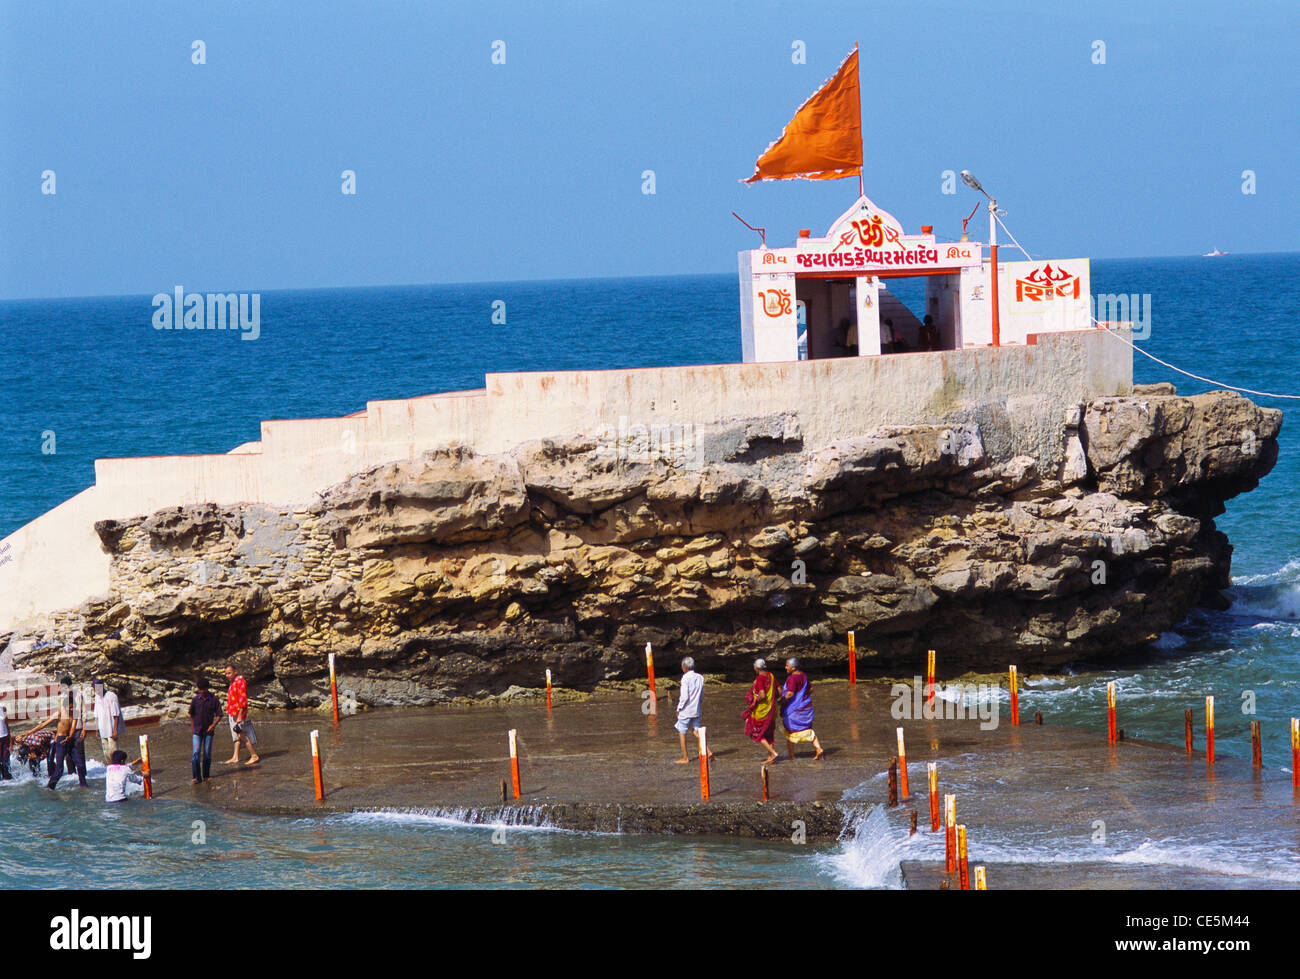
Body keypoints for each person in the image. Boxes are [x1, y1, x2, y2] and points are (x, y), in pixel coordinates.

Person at [28, 677, 88, 789]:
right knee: (62, 766)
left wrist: (83, 729)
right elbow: (54, 722)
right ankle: (53, 785)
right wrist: (28, 733)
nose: (62, 688)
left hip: (75, 731)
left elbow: (82, 714)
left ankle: (83, 784)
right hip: (62, 737)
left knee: (79, 760)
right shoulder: (61, 700)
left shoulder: (78, 696)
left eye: (64, 686)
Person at [780, 658, 825, 761]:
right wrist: (804, 697)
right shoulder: (804, 676)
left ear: (793, 667)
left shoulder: (792, 678)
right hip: (806, 707)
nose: (785, 667)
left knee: (790, 730)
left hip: (794, 710)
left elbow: (790, 694)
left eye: (787, 665)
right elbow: (811, 688)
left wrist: (780, 701)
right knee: (808, 729)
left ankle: (791, 755)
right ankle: (818, 748)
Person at [673, 657, 713, 764]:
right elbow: (702, 694)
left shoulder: (685, 678)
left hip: (686, 710)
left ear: (684, 667)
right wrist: (699, 704)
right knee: (696, 731)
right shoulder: (700, 677)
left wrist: (679, 708)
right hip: (696, 709)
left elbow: (684, 696)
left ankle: (685, 757)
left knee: (682, 731)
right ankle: (708, 751)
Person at [743, 658, 780, 764]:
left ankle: (773, 753)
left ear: (756, 668)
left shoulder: (760, 678)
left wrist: (755, 701)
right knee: (769, 732)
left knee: (756, 732)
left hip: (762, 710)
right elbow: (779, 691)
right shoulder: (771, 676)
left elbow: (762, 694)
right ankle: (770, 758)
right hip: (773, 709)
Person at [223, 665, 260, 766]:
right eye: (226, 673)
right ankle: (235, 756)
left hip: (238, 713)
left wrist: (239, 716)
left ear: (235, 672)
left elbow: (242, 700)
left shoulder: (240, 682)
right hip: (232, 712)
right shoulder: (233, 682)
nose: (227, 675)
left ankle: (254, 755)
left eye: (229, 673)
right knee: (236, 736)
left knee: (241, 734)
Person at [189, 677, 224, 783]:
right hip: (197, 730)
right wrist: (193, 727)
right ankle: (196, 776)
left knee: (207, 753)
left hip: (209, 731)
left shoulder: (214, 699)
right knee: (196, 753)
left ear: (207, 688)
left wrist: (213, 726)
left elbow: (219, 715)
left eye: (204, 689)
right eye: (200, 689)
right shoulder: (195, 700)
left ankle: (206, 775)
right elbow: (191, 714)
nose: (202, 691)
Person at [92, 677, 123, 764]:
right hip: (102, 729)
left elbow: (116, 714)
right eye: (94, 688)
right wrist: (96, 729)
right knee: (106, 753)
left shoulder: (111, 696)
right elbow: (96, 714)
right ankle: (111, 769)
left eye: (97, 688)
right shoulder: (97, 697)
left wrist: (115, 731)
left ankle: (118, 768)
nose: (96, 690)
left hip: (111, 729)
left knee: (114, 752)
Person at [0, 704, 11, 781]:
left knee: (5, 760)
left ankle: (7, 779)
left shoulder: (3, 709)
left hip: (5, 738)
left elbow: (7, 724)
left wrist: (11, 741)